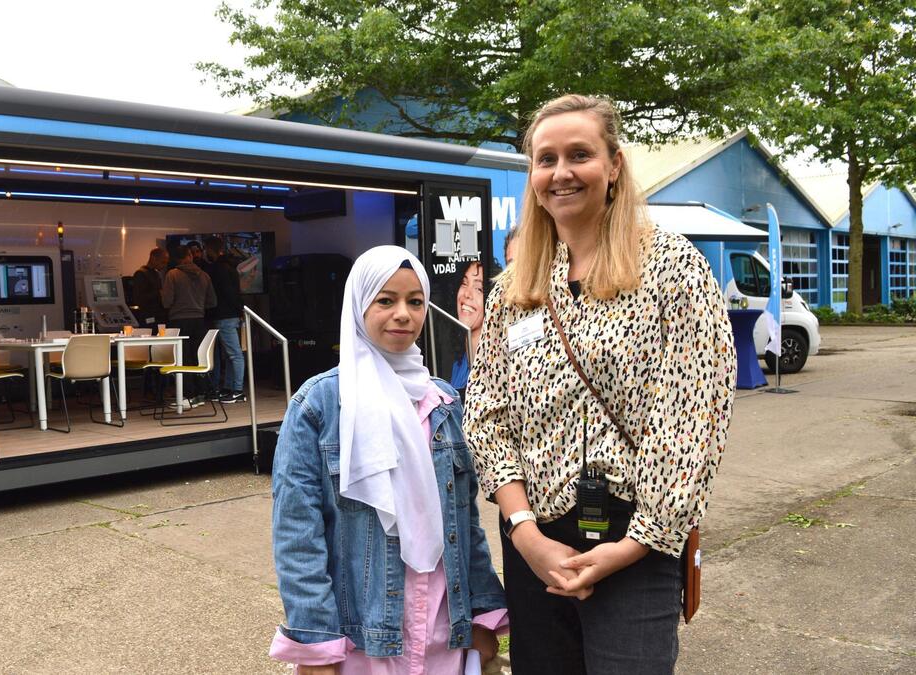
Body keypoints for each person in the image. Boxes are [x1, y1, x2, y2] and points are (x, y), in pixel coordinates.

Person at [463, 94, 736, 674]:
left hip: (635, 540)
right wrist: (525, 535)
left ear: (614, 165)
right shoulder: (516, 286)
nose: (561, 172)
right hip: (535, 542)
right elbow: (486, 414)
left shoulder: (671, 268)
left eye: (579, 155)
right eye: (546, 159)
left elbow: (692, 420)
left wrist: (632, 546)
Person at [270, 245, 507, 674]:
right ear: (359, 304)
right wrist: (316, 646)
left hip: (442, 636)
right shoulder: (319, 405)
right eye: (385, 300)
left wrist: (481, 616)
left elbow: (465, 523)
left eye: (415, 301)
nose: (403, 314)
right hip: (363, 644)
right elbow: (298, 536)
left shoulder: (443, 402)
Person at [161, 244, 216, 399]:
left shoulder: (172, 275)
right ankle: (202, 391)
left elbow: (166, 302)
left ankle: (188, 393)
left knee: (182, 357)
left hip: (178, 321)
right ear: (190, 255)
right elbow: (212, 301)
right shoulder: (204, 275)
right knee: (199, 356)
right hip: (199, 320)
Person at [199, 236, 247, 403]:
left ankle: (237, 390)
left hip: (223, 315)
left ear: (209, 249)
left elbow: (225, 293)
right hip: (230, 315)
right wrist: (239, 309)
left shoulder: (217, 269)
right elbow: (234, 293)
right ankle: (230, 388)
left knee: (234, 355)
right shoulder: (230, 267)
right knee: (231, 355)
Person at [449, 260, 485, 390]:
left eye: (479, 289)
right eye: (464, 283)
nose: (467, 294)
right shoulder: (459, 363)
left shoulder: (496, 365)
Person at [131, 247, 168, 326]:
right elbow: (138, 298)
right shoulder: (141, 274)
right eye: (163, 262)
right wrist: (159, 293)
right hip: (148, 315)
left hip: (156, 314)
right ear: (153, 258)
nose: (164, 265)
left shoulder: (156, 274)